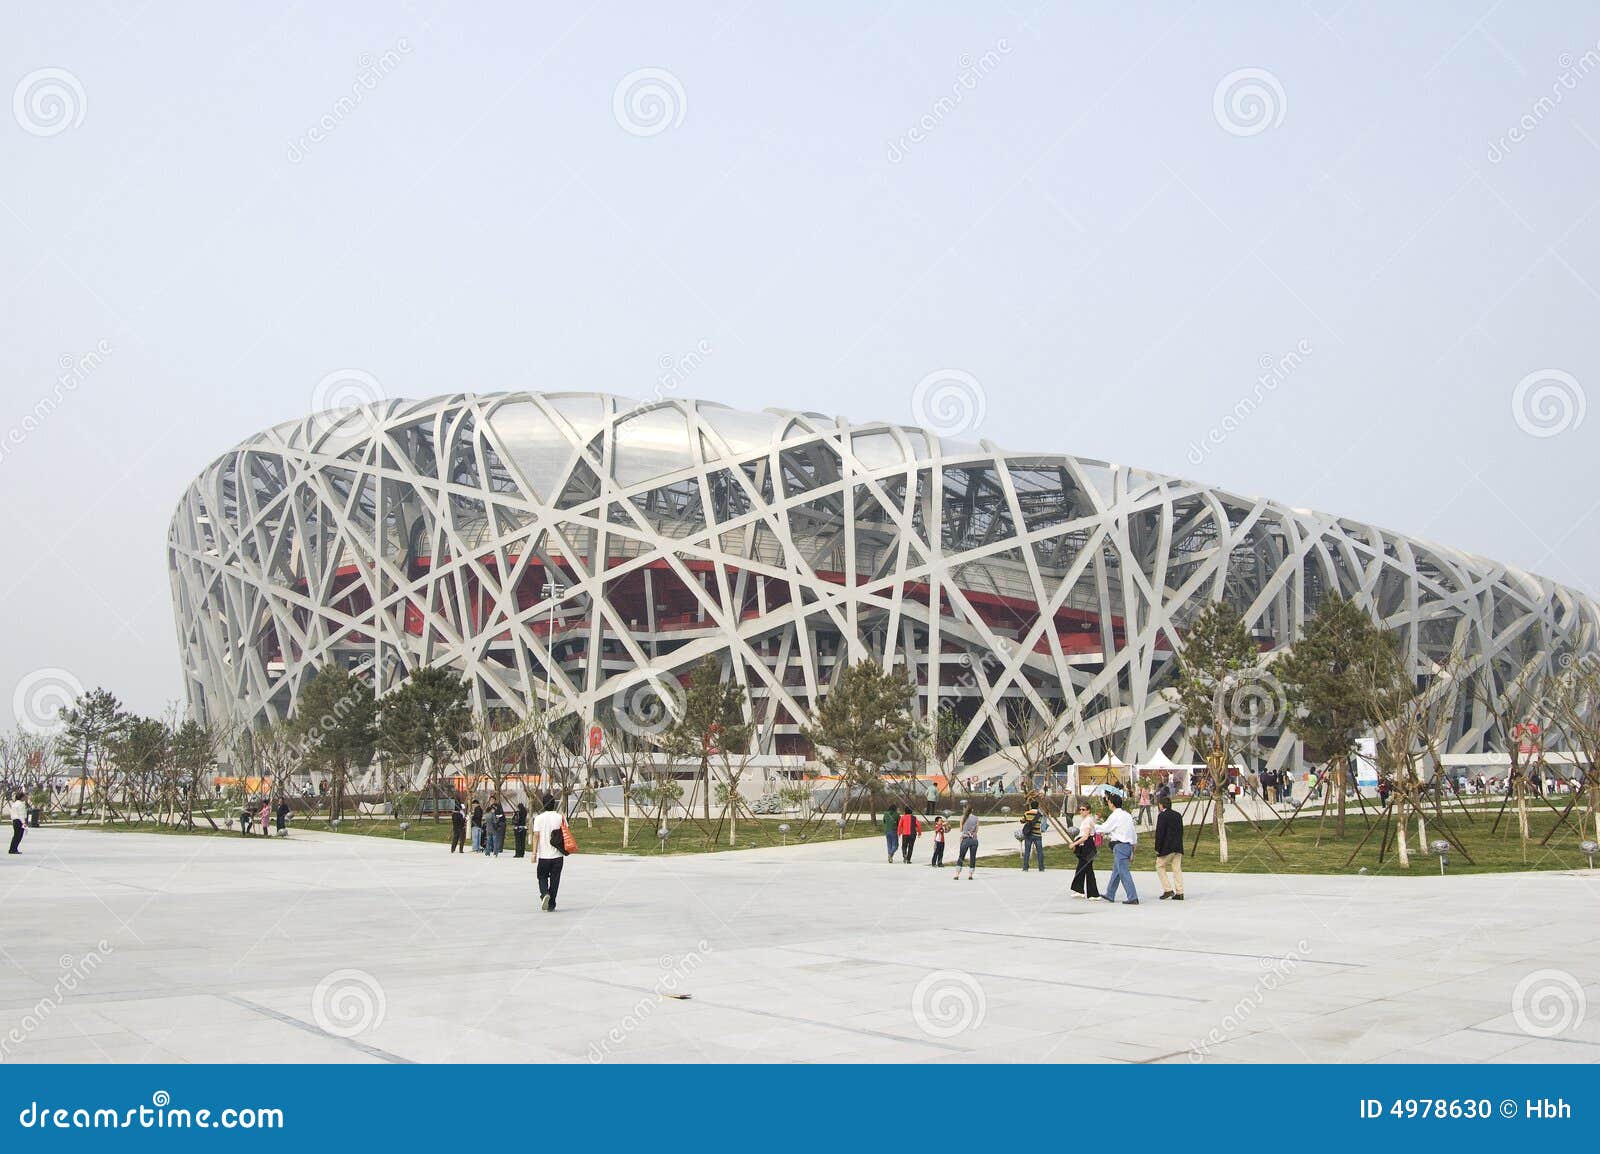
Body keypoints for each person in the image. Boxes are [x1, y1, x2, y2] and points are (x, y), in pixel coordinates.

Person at [1099, 792, 1140, 904]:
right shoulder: (1127, 815)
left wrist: (1092, 827)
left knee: (1124, 872)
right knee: (1117, 871)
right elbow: (1133, 833)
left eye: (1108, 802)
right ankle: (1110, 893)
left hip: (1120, 846)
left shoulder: (1115, 815)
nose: (1108, 804)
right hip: (1127, 846)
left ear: (1112, 803)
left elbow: (1105, 828)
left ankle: (1133, 897)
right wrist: (1133, 848)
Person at [529, 794, 566, 912]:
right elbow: (566, 833)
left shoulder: (538, 818)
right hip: (558, 856)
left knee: (542, 876)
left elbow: (536, 836)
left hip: (544, 856)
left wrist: (534, 853)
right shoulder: (560, 817)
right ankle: (551, 904)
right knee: (555, 880)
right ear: (554, 804)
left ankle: (545, 893)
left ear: (543, 805)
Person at [1154, 796, 1184, 900]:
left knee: (1159, 866)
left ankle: (1168, 889)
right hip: (1178, 846)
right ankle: (1180, 892)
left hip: (1167, 847)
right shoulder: (1178, 815)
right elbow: (1181, 831)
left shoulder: (1162, 816)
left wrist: (1157, 848)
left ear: (1161, 805)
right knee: (1177, 869)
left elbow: (1160, 833)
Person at [1069, 801, 1099, 899]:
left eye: (1083, 809)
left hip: (1087, 847)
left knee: (1084, 869)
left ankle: (1093, 894)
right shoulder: (1088, 819)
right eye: (1080, 809)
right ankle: (1081, 891)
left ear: (1088, 810)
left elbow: (1085, 837)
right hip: (1087, 846)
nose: (1081, 811)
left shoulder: (1087, 821)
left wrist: (1074, 844)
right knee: (1085, 869)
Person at [1019, 796, 1045, 871]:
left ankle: (1025, 867)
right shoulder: (1040, 814)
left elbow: (1022, 821)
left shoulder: (1027, 813)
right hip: (1037, 834)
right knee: (1040, 852)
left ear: (1031, 806)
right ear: (1037, 806)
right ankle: (1041, 867)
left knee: (1027, 851)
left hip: (1028, 834)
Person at [954, 806, 979, 880]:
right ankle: (970, 875)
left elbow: (961, 829)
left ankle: (957, 875)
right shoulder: (976, 818)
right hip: (974, 839)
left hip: (965, 839)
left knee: (961, 857)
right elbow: (976, 830)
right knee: (973, 857)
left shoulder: (962, 817)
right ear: (972, 810)